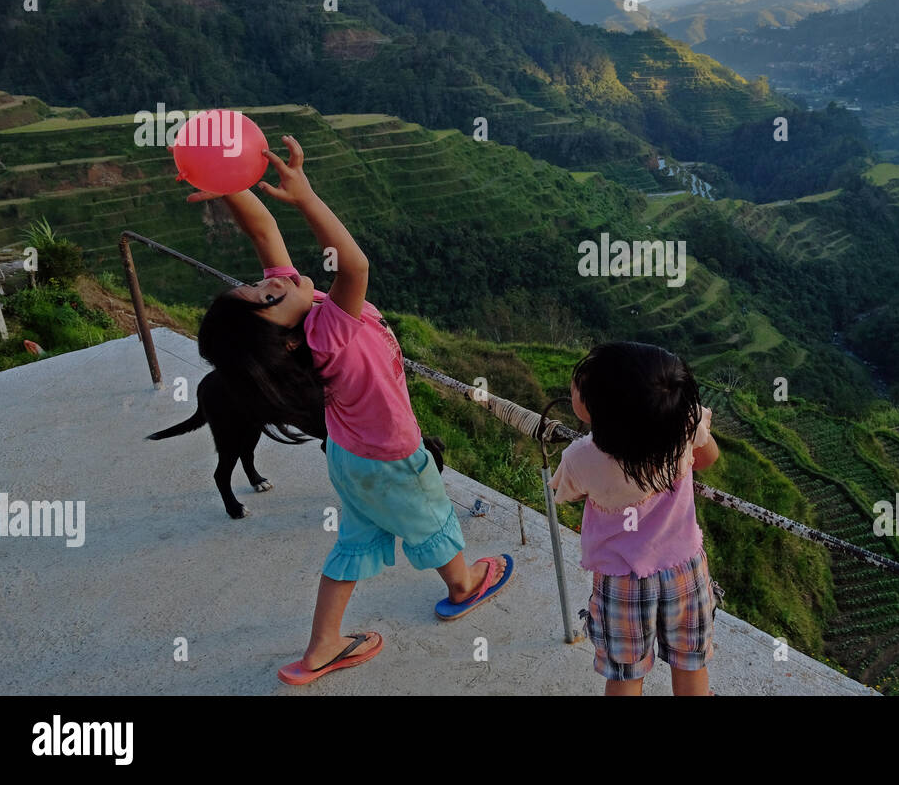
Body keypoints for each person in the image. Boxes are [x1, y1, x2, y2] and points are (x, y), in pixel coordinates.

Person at [190, 134, 512, 685]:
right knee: (431, 519)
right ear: (286, 341)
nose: (271, 281)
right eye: (267, 294)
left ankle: (321, 648)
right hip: (390, 455)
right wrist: (308, 196)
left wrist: (227, 184)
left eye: (257, 284)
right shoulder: (327, 331)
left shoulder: (295, 308)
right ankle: (463, 586)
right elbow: (355, 265)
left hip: (348, 457)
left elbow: (263, 231)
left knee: (356, 543)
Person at [548, 341, 721, 696]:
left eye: (584, 386)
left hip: (621, 580)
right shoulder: (681, 427)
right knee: (691, 665)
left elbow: (567, 493)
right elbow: (707, 458)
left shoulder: (581, 457)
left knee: (625, 675)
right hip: (684, 569)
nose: (576, 385)